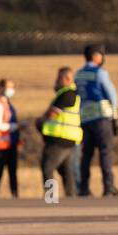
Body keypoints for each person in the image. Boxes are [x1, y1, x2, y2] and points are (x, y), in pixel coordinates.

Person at [75, 44, 118, 197]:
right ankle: (108, 187)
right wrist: (115, 116)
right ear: (96, 56)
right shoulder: (100, 73)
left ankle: (84, 188)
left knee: (87, 154)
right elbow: (112, 96)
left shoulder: (78, 74)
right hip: (102, 117)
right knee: (105, 152)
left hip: (85, 118)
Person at [38, 68, 82, 197]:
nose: (56, 81)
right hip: (69, 139)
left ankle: (51, 197)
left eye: (59, 78)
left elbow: (52, 113)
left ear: (67, 79)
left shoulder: (67, 94)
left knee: (48, 167)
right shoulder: (71, 94)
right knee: (66, 171)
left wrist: (41, 121)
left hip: (60, 138)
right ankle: (71, 197)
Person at [0, 78, 20, 198]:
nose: (11, 90)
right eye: (9, 87)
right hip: (1, 144)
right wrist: (15, 126)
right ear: (1, 88)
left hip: (11, 143)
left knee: (13, 172)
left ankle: (15, 195)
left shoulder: (7, 103)